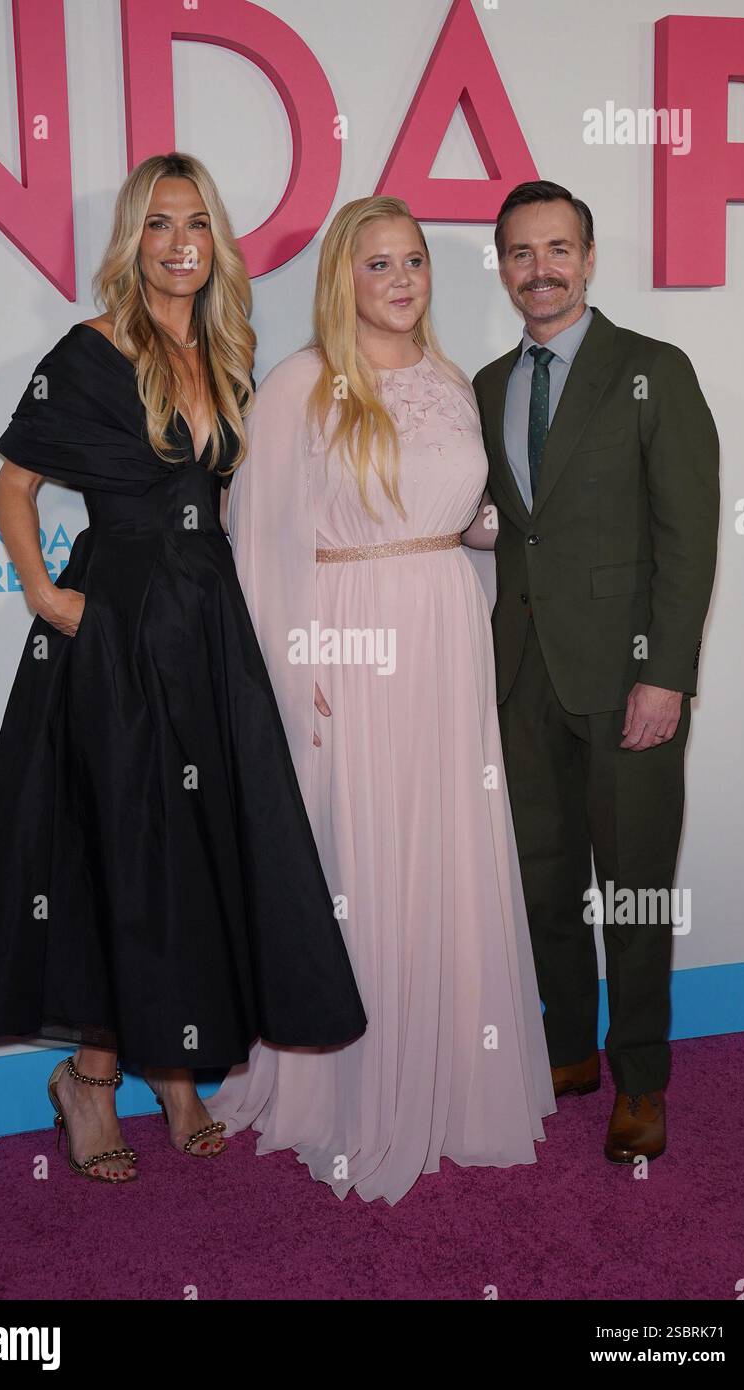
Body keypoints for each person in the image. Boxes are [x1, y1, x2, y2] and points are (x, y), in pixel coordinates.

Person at [0, 152, 366, 1184]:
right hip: (115, 623)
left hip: (203, 620)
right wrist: (44, 594)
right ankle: (90, 1074)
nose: (180, 244)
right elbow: (14, 486)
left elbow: (220, 512)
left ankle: (175, 1061)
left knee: (200, 845)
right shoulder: (88, 351)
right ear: (134, 238)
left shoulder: (224, 353)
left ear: (215, 243)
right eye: (161, 224)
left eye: (198, 225)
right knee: (118, 844)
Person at [204, 196, 555, 1206]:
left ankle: (452, 1080)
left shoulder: (450, 380)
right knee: (357, 852)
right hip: (346, 643)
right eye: (378, 264)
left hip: (444, 631)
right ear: (340, 281)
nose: (401, 278)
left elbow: (454, 513)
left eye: (412, 261)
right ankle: (344, 1087)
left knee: (441, 848)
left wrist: (487, 528)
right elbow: (257, 546)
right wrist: (290, 667)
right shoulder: (301, 385)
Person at [472, 180, 719, 1163]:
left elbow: (686, 537)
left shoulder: (651, 369)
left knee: (634, 889)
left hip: (627, 682)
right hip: (521, 677)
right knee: (542, 882)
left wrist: (665, 675)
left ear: (586, 258)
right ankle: (569, 1048)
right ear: (501, 268)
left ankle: (642, 1079)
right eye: (520, 253)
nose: (539, 268)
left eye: (556, 248)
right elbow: (508, 526)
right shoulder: (487, 385)